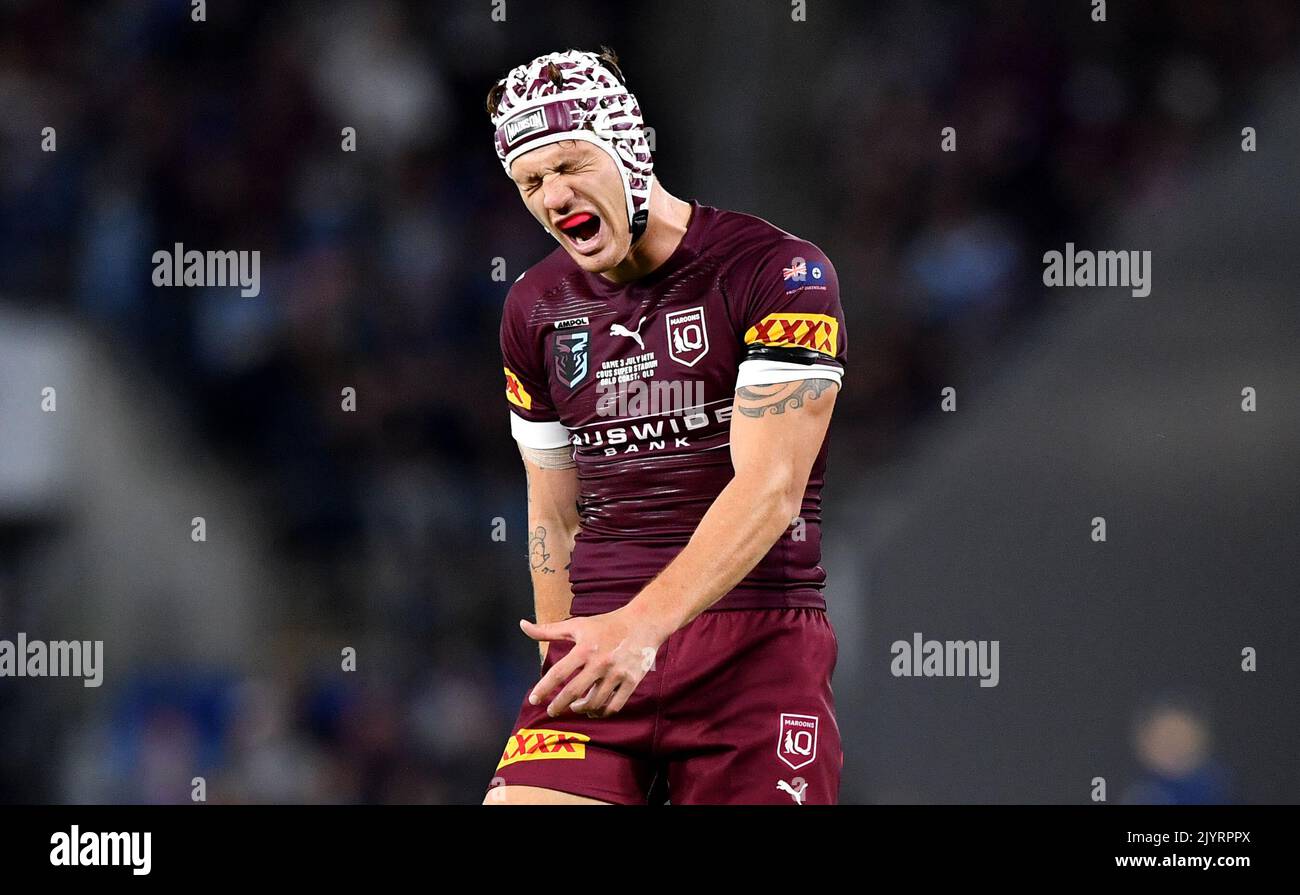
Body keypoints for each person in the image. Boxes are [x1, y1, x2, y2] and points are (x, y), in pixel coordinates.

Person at [483, 47, 846, 805]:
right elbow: (553, 509)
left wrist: (642, 626)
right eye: (531, 182)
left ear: (630, 148)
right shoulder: (534, 306)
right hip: (603, 638)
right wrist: (565, 657)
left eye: (572, 165)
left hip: (752, 645)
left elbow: (773, 488)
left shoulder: (779, 271)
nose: (554, 195)